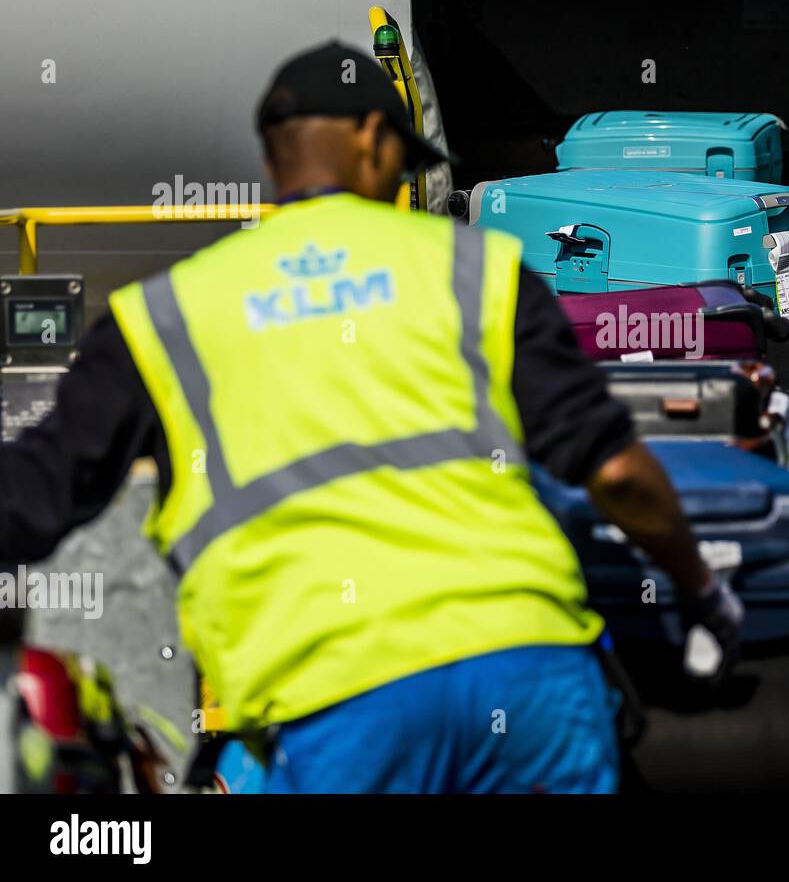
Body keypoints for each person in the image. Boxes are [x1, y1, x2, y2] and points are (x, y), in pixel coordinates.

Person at [0, 41, 742, 793]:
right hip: (528, 672)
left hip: (337, 698)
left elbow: (33, 493)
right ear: (373, 141)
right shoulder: (472, 268)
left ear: (273, 156)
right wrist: (703, 592)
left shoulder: (161, 317)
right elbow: (619, 472)